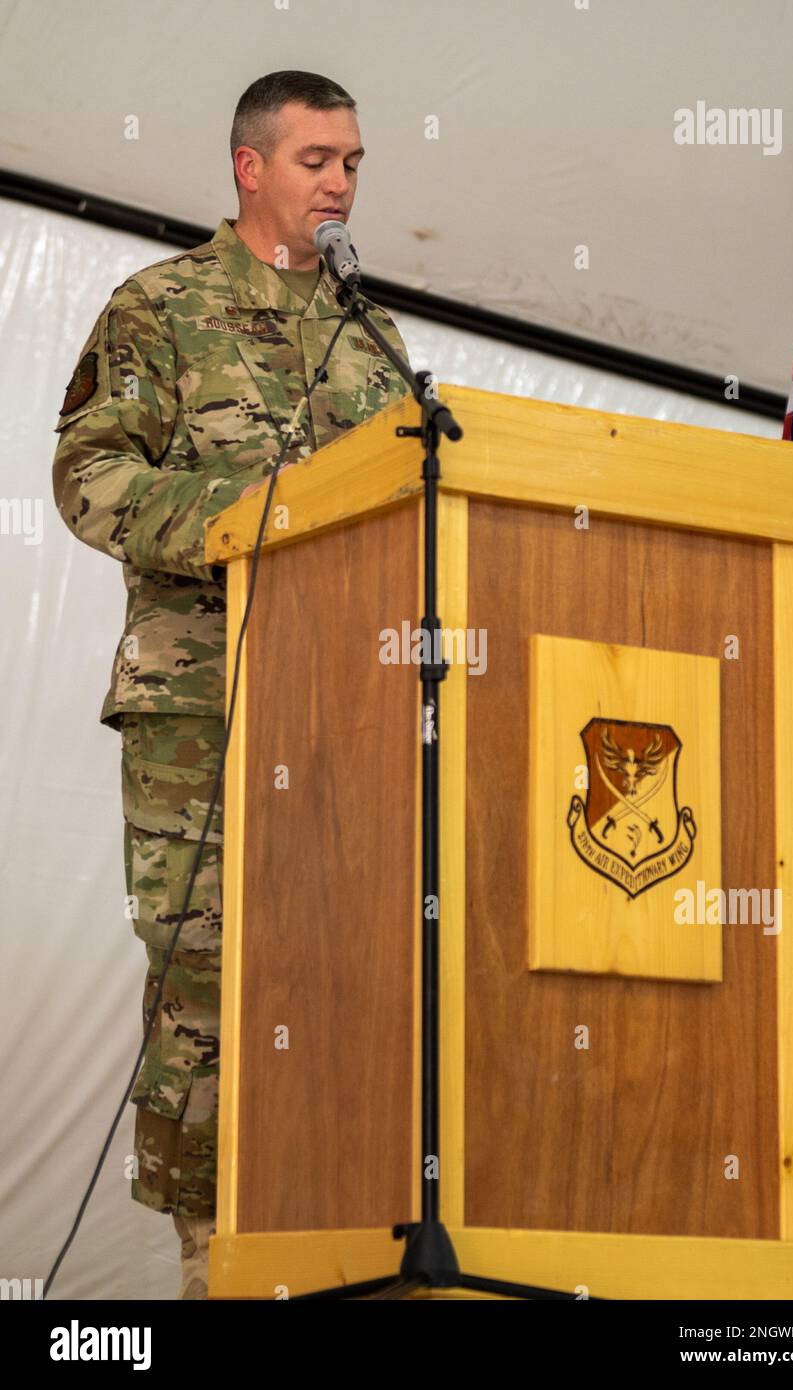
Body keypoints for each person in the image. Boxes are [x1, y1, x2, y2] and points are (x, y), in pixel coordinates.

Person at [52, 70, 412, 1299]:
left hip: (350, 709)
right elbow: (90, 476)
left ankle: (331, 1240)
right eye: (316, 159)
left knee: (343, 970)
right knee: (208, 978)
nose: (340, 182)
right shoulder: (161, 307)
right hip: (196, 704)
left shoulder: (375, 338)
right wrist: (246, 517)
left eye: (354, 162)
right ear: (250, 167)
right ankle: (212, 1260)